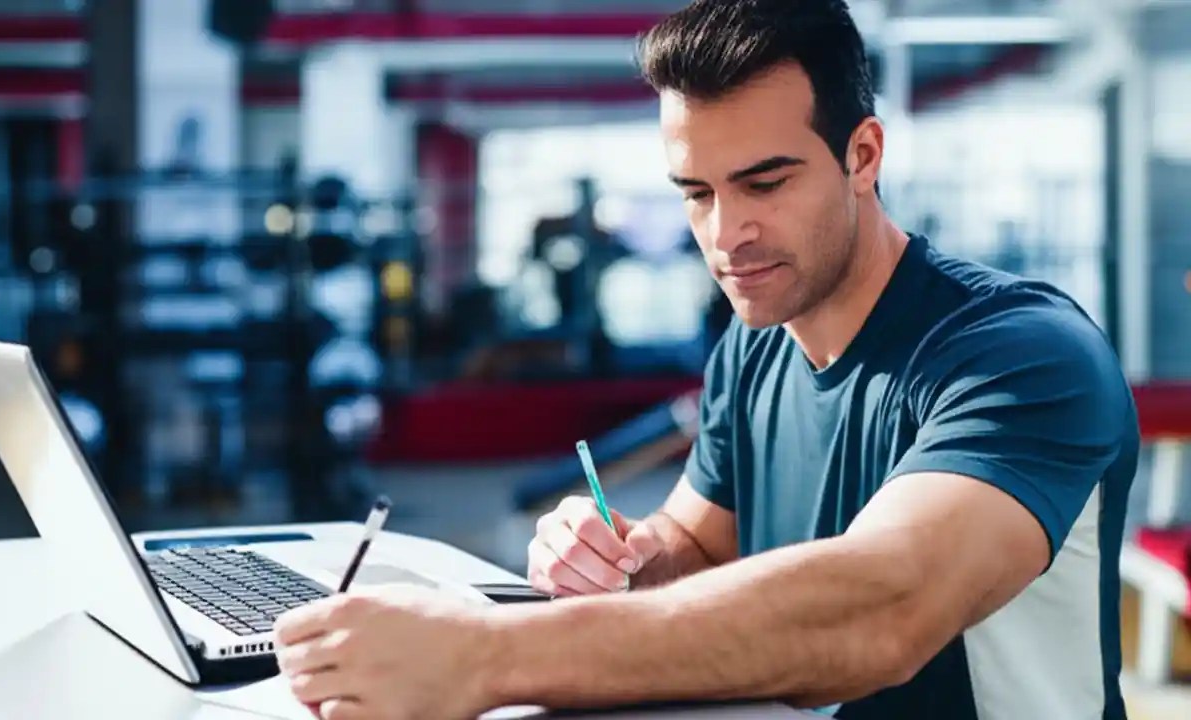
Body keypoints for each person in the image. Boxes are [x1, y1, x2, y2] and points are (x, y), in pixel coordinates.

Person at [270, 1, 1139, 718]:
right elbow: (695, 542)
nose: (727, 235)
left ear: (862, 156)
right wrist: (625, 556)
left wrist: (484, 656)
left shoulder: (1021, 356)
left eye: (765, 184)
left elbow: (885, 613)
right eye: (698, 193)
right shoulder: (755, 347)